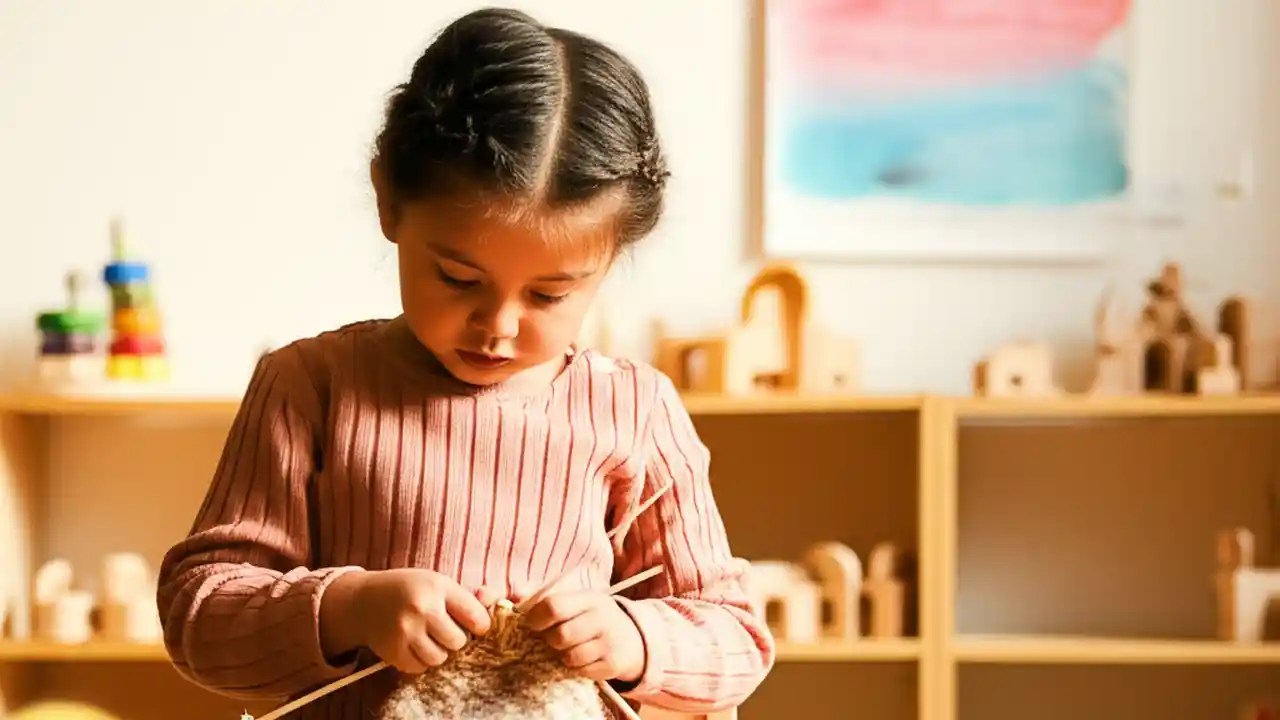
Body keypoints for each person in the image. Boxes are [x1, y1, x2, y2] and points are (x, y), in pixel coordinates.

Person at [156, 7, 775, 719]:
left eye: (549, 293)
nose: (498, 326)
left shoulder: (636, 409)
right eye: (457, 277)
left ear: (608, 263)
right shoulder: (310, 387)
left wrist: (634, 639)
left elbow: (737, 635)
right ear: (389, 200)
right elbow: (197, 617)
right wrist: (349, 607)